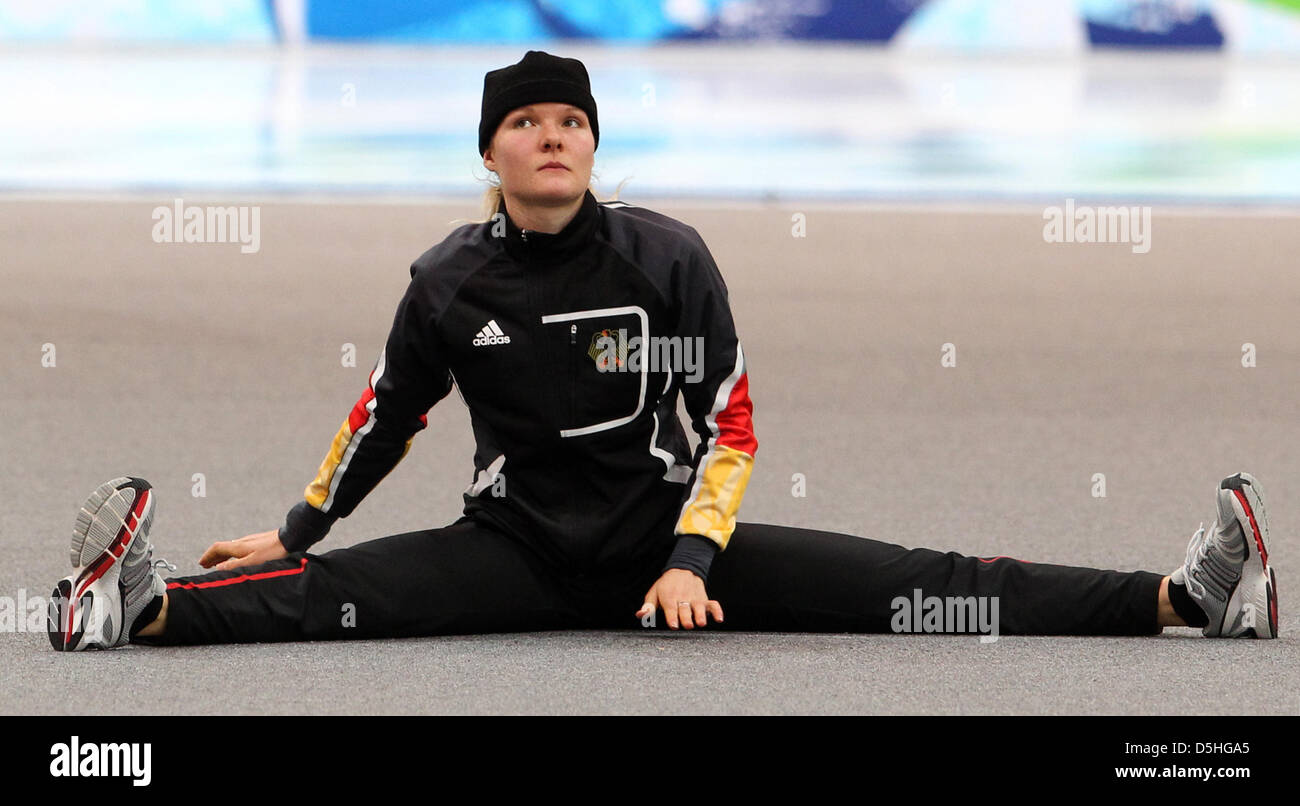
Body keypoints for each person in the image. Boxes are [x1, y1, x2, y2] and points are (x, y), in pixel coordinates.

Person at [47, 51, 1278, 651]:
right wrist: (298, 525)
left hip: (668, 539)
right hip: (516, 547)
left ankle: (1194, 597)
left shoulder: (666, 260)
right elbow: (388, 411)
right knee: (336, 599)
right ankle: (127, 608)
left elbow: (731, 425)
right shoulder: (445, 280)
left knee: (930, 583)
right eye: (525, 123)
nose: (551, 138)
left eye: (570, 121)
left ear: (592, 143)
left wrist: (692, 559)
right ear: (491, 152)